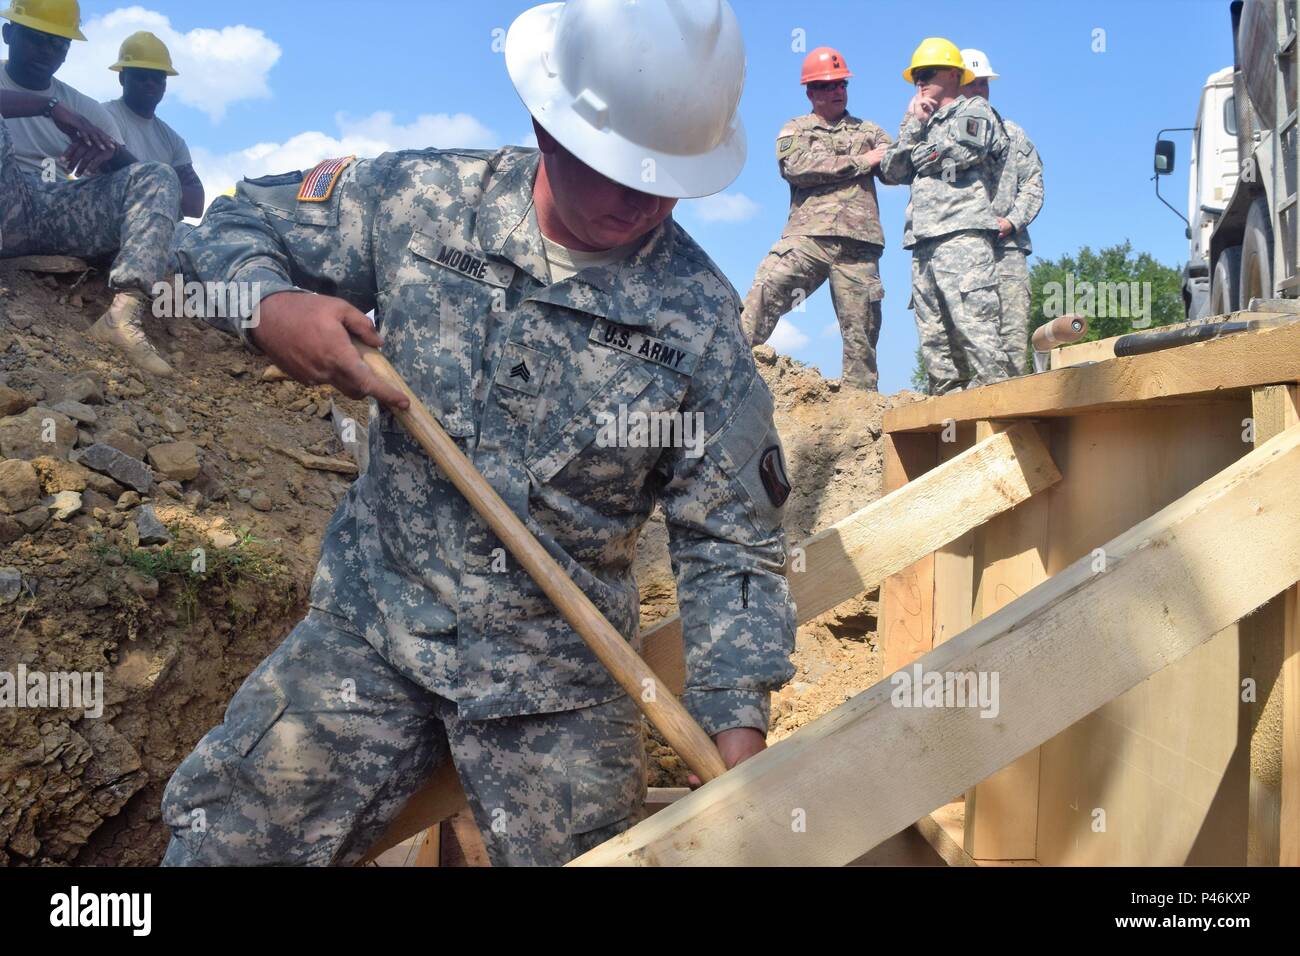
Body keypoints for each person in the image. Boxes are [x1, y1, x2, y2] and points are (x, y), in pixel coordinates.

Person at [161, 0, 796, 867]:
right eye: (618, 171)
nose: (642, 202)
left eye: (666, 179)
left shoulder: (698, 326)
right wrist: (270, 303)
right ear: (548, 124)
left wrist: (736, 720)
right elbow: (238, 222)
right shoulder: (421, 202)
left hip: (559, 682)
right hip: (372, 628)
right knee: (221, 841)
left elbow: (732, 540)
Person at [0, 0, 179, 376]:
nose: (49, 53)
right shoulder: (60, 105)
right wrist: (48, 107)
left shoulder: (83, 108)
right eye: (38, 39)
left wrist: (107, 154)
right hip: (7, 193)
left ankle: (122, 316)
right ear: (8, 33)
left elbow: (143, 174)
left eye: (59, 45)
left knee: (160, 174)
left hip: (52, 206)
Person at [741, 46, 893, 391]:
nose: (837, 91)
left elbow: (895, 169)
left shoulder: (870, 130)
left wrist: (915, 127)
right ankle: (727, 369)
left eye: (842, 85)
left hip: (859, 245)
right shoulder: (795, 128)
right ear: (811, 92)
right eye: (828, 86)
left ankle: (859, 413)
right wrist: (861, 162)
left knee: (862, 335)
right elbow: (796, 168)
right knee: (765, 292)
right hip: (808, 237)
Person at [880, 37, 1009, 395]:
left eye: (927, 73)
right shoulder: (920, 122)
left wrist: (920, 154)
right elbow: (891, 169)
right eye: (915, 77)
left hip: (963, 236)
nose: (919, 82)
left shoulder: (974, 111)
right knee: (934, 342)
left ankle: (1002, 414)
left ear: (953, 75)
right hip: (922, 243)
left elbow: (961, 151)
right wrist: (913, 124)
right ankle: (953, 424)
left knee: (977, 332)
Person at [959, 48, 1043, 377]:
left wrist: (1012, 220)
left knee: (1010, 342)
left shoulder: (1013, 134)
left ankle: (1010, 424)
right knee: (964, 343)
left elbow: (1033, 184)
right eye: (971, 83)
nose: (979, 90)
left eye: (983, 83)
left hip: (1007, 251)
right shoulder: (944, 136)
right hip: (961, 253)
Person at [102, 31, 205, 219]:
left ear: (165, 84)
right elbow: (120, 180)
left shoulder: (173, 141)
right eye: (141, 76)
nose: (150, 83)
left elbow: (196, 205)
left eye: (158, 77)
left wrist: (153, 185)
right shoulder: (104, 116)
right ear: (122, 78)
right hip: (112, 223)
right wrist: (169, 187)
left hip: (160, 230)